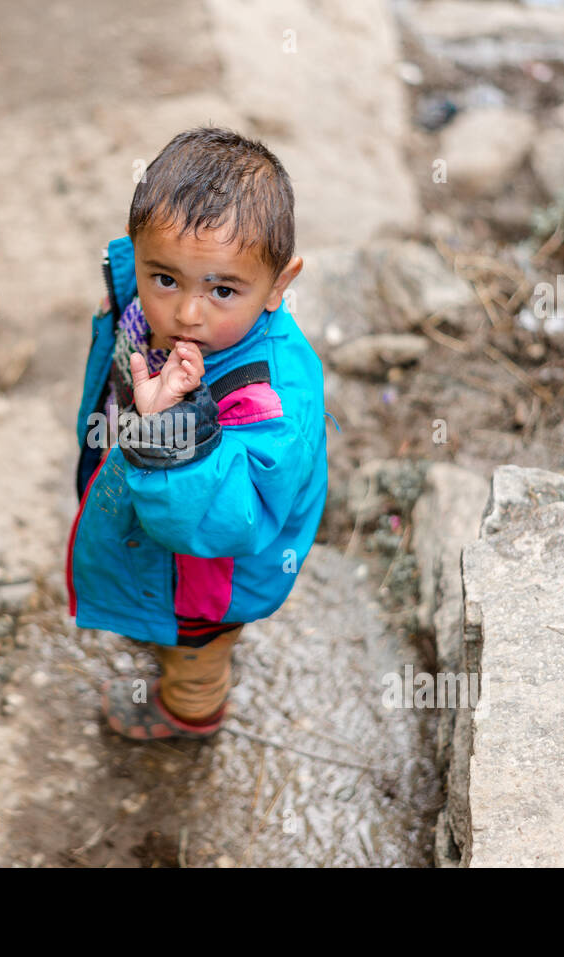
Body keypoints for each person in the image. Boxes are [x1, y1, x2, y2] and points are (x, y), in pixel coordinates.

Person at [65, 126, 329, 740]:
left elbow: (234, 519)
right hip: (150, 525)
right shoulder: (137, 300)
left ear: (279, 284)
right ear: (142, 252)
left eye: (223, 289)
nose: (187, 312)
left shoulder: (272, 395)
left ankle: (190, 711)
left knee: (195, 654)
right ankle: (157, 635)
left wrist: (169, 438)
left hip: (207, 576)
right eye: (167, 280)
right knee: (161, 618)